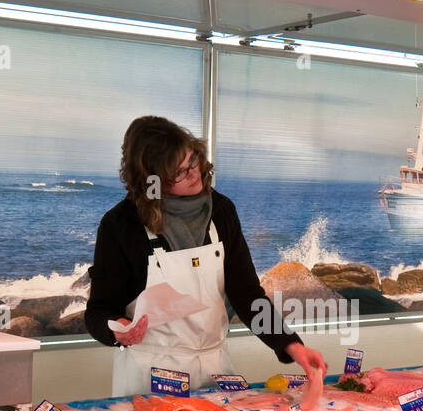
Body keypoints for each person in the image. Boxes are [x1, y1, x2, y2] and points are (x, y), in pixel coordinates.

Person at [84, 116, 326, 396]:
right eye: (178, 171)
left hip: (215, 367)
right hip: (150, 375)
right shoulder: (121, 225)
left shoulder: (221, 211)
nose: (193, 173)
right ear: (152, 179)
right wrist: (117, 329)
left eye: (192, 161)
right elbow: (99, 311)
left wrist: (291, 345)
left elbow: (246, 293)